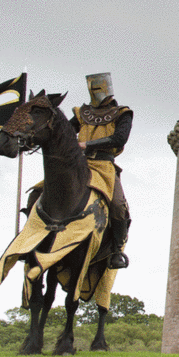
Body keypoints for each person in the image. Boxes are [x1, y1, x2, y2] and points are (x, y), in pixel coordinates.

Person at [71, 72, 133, 269]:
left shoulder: (122, 113)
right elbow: (65, 132)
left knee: (118, 205)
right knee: (41, 191)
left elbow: (119, 139)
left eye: (96, 87)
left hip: (104, 166)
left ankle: (116, 250)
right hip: (79, 165)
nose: (93, 91)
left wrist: (86, 144)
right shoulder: (82, 113)